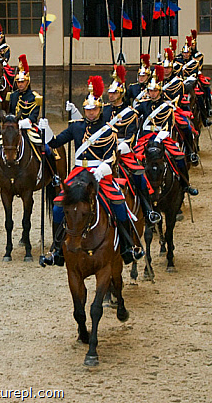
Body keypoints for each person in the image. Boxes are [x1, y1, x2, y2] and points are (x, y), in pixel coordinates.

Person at [38, 76, 144, 267]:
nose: (90, 113)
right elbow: (55, 143)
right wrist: (46, 130)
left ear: (99, 109)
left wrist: (102, 170)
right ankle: (56, 249)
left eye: (94, 109)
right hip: (78, 172)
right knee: (57, 207)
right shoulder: (76, 127)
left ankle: (128, 246)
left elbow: (111, 157)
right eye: (87, 110)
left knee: (119, 204)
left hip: (100, 173)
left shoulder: (107, 130)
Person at [103, 65, 161, 224]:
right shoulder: (104, 111)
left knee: (139, 175)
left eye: (114, 93)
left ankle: (147, 208)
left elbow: (131, 135)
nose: (110, 95)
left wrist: (123, 146)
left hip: (123, 150)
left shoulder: (130, 113)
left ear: (121, 94)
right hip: (105, 151)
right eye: (109, 92)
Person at [134, 65, 199, 198]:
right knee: (134, 159)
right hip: (145, 138)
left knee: (179, 156)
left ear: (159, 92)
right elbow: (133, 115)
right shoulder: (143, 105)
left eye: (154, 91)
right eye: (150, 91)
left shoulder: (167, 108)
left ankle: (185, 184)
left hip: (161, 137)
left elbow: (168, 127)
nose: (152, 93)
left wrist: (158, 139)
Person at [0, 55, 43, 189]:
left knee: (45, 149)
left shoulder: (34, 97)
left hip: (29, 127)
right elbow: (10, 112)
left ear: (27, 82)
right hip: (13, 127)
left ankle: (52, 175)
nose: (20, 84)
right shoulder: (12, 96)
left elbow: (34, 116)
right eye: (18, 82)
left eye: (22, 82)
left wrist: (22, 123)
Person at [161, 47, 199, 166]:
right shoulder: (157, 81)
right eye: (164, 68)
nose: (166, 71)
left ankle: (190, 151)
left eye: (168, 68)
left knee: (186, 126)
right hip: (158, 112)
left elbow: (179, 96)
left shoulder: (177, 82)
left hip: (173, 110)